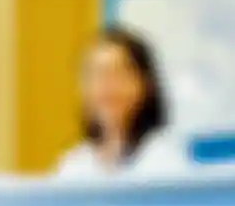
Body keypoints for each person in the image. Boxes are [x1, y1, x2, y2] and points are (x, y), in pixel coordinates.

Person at [56, 26, 187, 180]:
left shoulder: (165, 161)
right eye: (95, 74)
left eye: (117, 73)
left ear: (145, 85)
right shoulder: (74, 166)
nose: (105, 85)